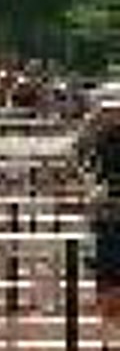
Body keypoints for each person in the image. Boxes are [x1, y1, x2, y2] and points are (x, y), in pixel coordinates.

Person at [74, 81, 120, 337]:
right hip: (106, 216)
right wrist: (90, 186)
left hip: (108, 213)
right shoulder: (95, 135)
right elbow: (76, 157)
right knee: (107, 296)